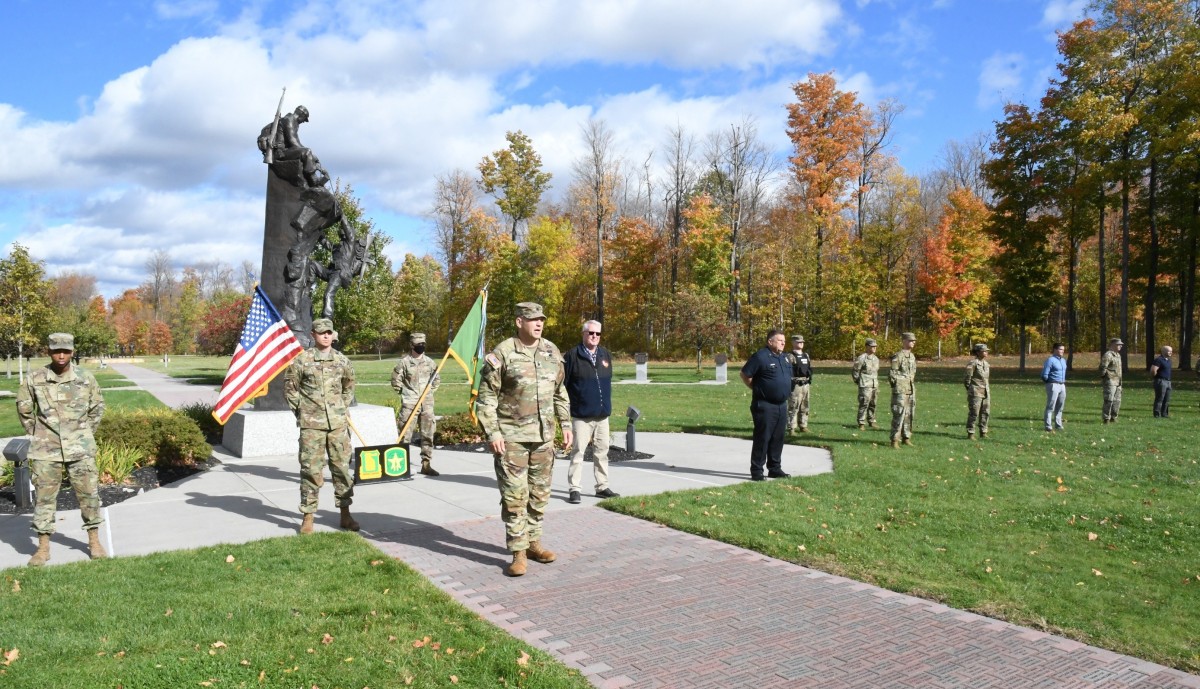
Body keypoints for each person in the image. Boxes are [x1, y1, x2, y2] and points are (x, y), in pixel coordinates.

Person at [476, 302, 574, 577]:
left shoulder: (551, 351)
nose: (539, 324)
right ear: (519, 322)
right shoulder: (503, 353)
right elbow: (486, 398)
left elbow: (560, 392)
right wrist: (493, 432)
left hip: (544, 438)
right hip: (512, 439)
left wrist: (566, 425)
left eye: (541, 319)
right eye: (533, 320)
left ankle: (533, 544)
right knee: (515, 497)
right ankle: (518, 553)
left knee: (539, 494)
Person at [16, 333, 106, 566]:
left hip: (80, 449)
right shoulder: (35, 378)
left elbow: (97, 407)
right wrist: (38, 432)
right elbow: (24, 408)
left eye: (66, 351)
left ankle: (94, 541)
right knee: (44, 499)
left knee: (89, 495)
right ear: (49, 352)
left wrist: (84, 433)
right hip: (46, 450)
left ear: (72, 352)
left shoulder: (85, 378)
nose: (62, 355)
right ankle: (43, 548)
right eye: (57, 351)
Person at [285, 318, 358, 534]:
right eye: (321, 332)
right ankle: (308, 517)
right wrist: (301, 411)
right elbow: (290, 388)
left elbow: (349, 386)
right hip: (311, 426)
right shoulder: (302, 360)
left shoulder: (342, 360)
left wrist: (341, 407)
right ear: (313, 335)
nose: (326, 336)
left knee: (342, 469)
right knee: (311, 469)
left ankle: (345, 514)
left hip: (337, 425)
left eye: (329, 332)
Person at [562, 320, 619, 504]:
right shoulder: (572, 356)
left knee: (602, 452)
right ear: (583, 334)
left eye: (598, 334)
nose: (594, 336)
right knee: (578, 452)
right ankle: (574, 489)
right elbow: (563, 386)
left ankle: (602, 487)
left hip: (602, 415)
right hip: (582, 415)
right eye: (591, 333)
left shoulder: (605, 355)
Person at [740, 329, 793, 481]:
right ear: (770, 342)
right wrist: (757, 388)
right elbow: (745, 374)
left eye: (784, 341)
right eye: (779, 340)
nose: (783, 343)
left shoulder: (785, 358)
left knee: (778, 438)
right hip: (765, 404)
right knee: (763, 438)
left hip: (781, 405)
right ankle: (757, 471)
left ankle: (774, 468)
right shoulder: (760, 357)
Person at [391, 332, 441, 476]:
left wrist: (429, 393)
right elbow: (395, 380)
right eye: (418, 344)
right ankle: (402, 466)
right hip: (410, 404)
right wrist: (406, 393)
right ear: (412, 345)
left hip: (427, 404)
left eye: (423, 344)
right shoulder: (404, 362)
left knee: (428, 435)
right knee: (405, 435)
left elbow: (436, 380)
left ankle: (426, 464)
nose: (421, 347)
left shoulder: (430, 362)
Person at [888, 332, 918, 448]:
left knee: (909, 414)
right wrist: (897, 386)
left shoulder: (912, 356)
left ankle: (906, 437)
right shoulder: (898, 356)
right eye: (910, 340)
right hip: (900, 390)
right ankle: (895, 440)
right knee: (899, 414)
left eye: (914, 341)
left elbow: (913, 372)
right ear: (904, 341)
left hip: (910, 389)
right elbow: (892, 373)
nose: (913, 342)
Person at [785, 335, 813, 433]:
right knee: (793, 405)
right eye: (798, 342)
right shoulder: (790, 356)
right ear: (793, 343)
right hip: (795, 385)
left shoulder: (806, 355)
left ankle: (803, 425)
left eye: (802, 342)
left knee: (805, 405)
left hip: (805, 384)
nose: (801, 344)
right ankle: (791, 428)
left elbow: (809, 368)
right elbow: (787, 371)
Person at [851, 338, 880, 430]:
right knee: (864, 403)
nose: (874, 348)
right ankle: (861, 423)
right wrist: (858, 381)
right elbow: (855, 371)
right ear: (867, 347)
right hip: (865, 385)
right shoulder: (862, 358)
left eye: (875, 346)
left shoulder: (876, 359)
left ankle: (871, 421)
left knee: (873, 403)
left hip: (874, 384)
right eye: (872, 346)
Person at [964, 343, 991, 439]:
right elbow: (967, 379)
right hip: (975, 392)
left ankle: (983, 432)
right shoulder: (973, 363)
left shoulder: (986, 364)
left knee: (985, 412)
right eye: (984, 351)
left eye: (987, 351)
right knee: (974, 413)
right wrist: (971, 390)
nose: (986, 352)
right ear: (978, 352)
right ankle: (971, 433)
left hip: (986, 392)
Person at [1041, 343, 1067, 432]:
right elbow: (1044, 374)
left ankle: (1058, 425)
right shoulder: (1050, 360)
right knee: (1051, 406)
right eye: (1060, 349)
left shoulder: (1063, 360)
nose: (1062, 351)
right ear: (1055, 349)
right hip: (1053, 384)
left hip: (1062, 385)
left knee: (1060, 406)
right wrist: (1049, 383)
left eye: (1063, 350)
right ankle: (1048, 426)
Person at [1099, 337, 1123, 424]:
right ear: (1113, 345)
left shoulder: (1118, 355)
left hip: (1118, 381)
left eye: (1121, 345)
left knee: (1117, 401)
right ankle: (1106, 418)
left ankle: (1114, 417)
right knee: (1109, 400)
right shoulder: (1108, 355)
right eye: (1118, 345)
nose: (1120, 346)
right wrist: (1105, 377)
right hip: (1110, 381)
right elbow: (1103, 367)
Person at [1151, 345, 1173, 418]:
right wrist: (1157, 378)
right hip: (1161, 381)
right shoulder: (1158, 360)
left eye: (1171, 351)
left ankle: (1164, 414)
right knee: (1160, 398)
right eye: (1169, 351)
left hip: (1168, 382)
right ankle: (1157, 414)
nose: (1171, 352)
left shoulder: (1168, 361)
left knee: (1167, 399)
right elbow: (1153, 370)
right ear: (1163, 351)